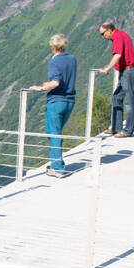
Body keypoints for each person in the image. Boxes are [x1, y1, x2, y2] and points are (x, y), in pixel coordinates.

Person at [28, 34, 77, 177]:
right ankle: (55, 162)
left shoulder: (54, 62)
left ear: (53, 47)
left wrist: (41, 87)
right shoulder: (72, 59)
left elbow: (56, 82)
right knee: (55, 132)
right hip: (70, 101)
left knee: (53, 133)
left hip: (57, 101)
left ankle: (58, 168)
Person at [96, 20, 134, 138]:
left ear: (109, 31)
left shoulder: (117, 37)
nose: (102, 36)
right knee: (117, 97)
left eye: (103, 33)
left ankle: (128, 130)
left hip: (129, 71)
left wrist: (107, 68)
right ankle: (116, 127)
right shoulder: (120, 35)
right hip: (126, 71)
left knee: (129, 101)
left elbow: (117, 54)